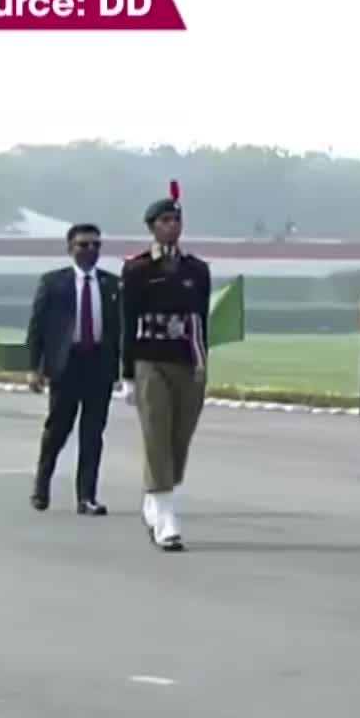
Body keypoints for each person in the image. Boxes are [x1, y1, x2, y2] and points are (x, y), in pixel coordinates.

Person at [120, 180, 211, 553]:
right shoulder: (137, 270)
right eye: (164, 220)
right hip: (150, 359)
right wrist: (127, 373)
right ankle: (166, 514)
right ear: (151, 227)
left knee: (179, 439)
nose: (172, 226)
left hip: (187, 360)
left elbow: (201, 320)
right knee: (157, 433)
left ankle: (156, 496)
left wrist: (204, 363)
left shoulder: (197, 270)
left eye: (176, 219)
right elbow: (127, 322)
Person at [26, 223, 122, 515]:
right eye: (83, 244)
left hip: (99, 366)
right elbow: (37, 327)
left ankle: (86, 497)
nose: (90, 250)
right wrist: (34, 367)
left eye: (95, 244)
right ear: (70, 248)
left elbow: (121, 329)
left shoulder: (112, 284)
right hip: (66, 366)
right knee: (58, 430)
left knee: (93, 434)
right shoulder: (54, 282)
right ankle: (42, 487)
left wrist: (123, 368)